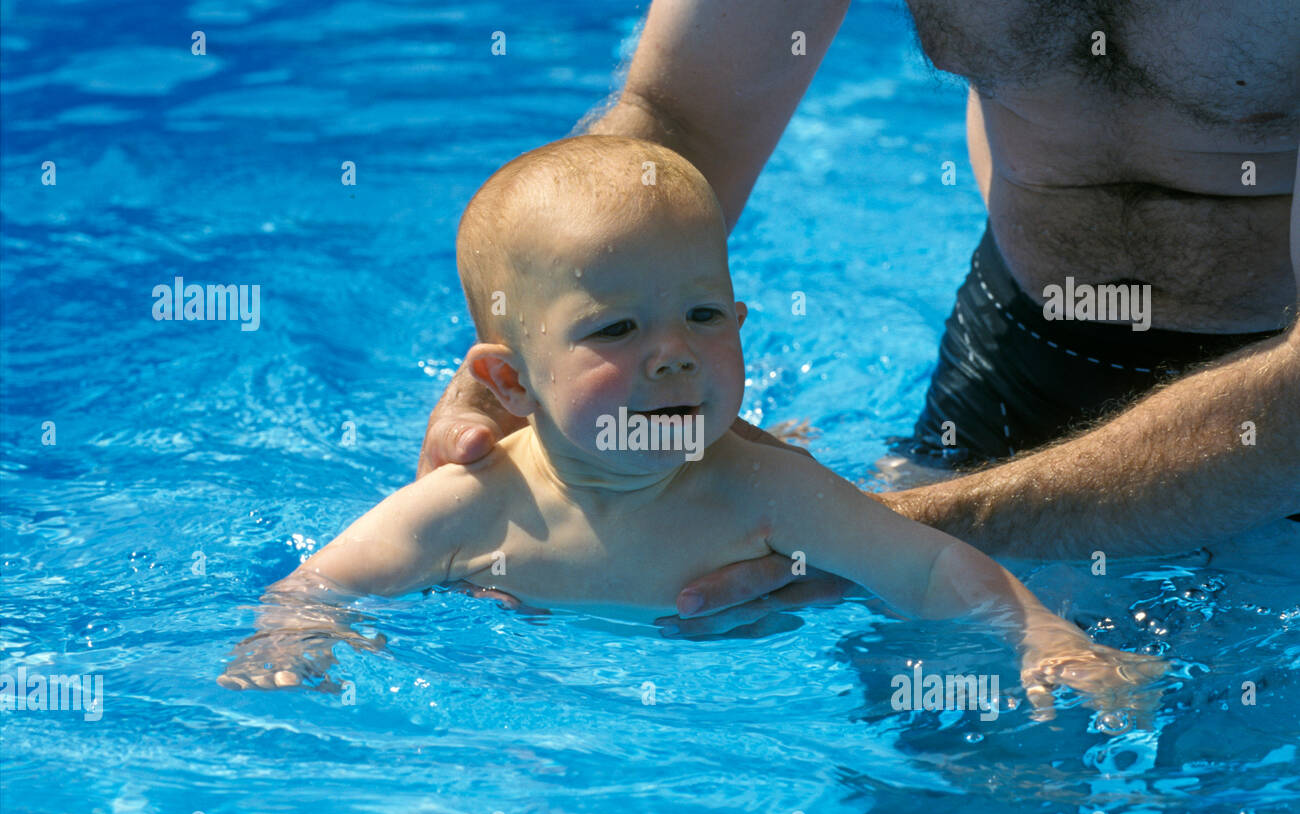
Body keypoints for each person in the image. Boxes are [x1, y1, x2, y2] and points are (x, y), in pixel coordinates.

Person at [419, 0, 1300, 639]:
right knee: (954, 797)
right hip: (1022, 345)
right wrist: (537, 349)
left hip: (1277, 388)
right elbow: (677, 122)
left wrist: (875, 532)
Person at [218, 135, 1164, 720]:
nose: (673, 354)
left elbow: (922, 565)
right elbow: (315, 584)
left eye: (705, 316)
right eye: (617, 330)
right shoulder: (472, 506)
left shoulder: (761, 487)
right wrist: (293, 636)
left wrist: (1038, 631)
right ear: (511, 380)